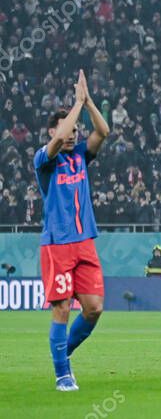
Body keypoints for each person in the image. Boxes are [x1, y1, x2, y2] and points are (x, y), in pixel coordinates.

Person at [34, 70, 110, 391]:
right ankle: (62, 374)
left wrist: (88, 102)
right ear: (52, 132)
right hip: (58, 244)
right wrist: (74, 107)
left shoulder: (80, 156)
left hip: (85, 243)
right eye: (65, 129)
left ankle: (63, 355)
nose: (73, 134)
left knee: (94, 308)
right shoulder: (44, 160)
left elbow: (103, 131)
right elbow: (59, 137)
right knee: (62, 307)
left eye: (75, 130)